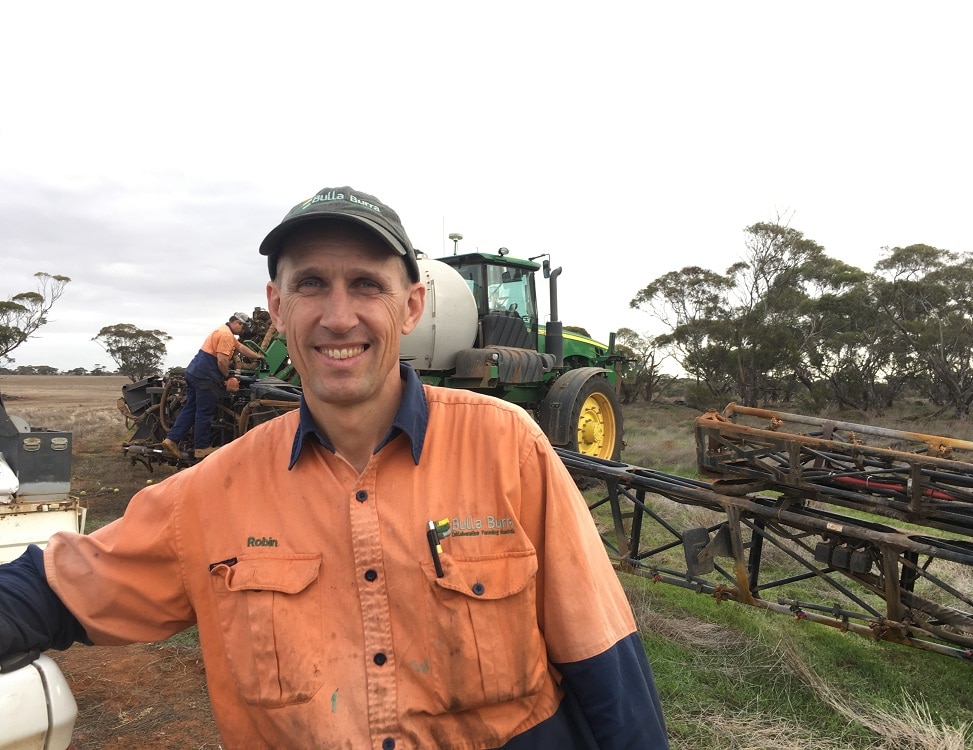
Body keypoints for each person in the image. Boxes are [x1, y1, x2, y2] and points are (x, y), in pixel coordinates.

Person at [0, 187, 670, 749]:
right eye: (312, 284)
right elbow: (59, 587)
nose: (339, 315)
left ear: (411, 307)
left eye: (366, 285)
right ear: (278, 307)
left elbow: (607, 668)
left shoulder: (510, 449)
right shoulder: (213, 494)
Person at [161, 312, 265, 459]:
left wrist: (259, 357)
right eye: (243, 328)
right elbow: (222, 361)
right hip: (205, 377)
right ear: (237, 323)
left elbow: (241, 348)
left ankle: (171, 439)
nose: (243, 332)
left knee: (191, 407)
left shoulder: (221, 331)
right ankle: (201, 447)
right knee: (204, 412)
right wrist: (228, 376)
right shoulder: (226, 336)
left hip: (193, 372)